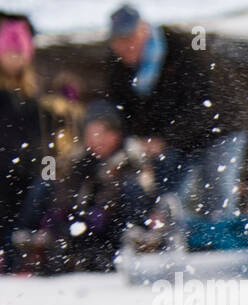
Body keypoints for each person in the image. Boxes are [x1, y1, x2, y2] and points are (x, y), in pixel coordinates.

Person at [107, 4, 248, 240]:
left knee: (217, 191)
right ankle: (180, 245)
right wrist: (139, 142)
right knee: (173, 197)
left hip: (220, 128)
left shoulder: (185, 50)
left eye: (129, 38)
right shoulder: (119, 69)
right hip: (177, 141)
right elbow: (125, 111)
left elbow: (205, 104)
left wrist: (165, 139)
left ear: (143, 31)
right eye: (119, 41)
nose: (125, 47)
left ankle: (225, 244)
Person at [15, 100, 152, 273]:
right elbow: (64, 189)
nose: (97, 139)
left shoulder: (131, 158)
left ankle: (134, 241)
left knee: (131, 189)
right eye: (92, 133)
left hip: (114, 227)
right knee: (44, 182)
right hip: (81, 225)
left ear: (116, 134)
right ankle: (31, 237)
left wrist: (103, 206)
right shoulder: (79, 160)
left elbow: (142, 191)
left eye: (102, 133)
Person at [0, 13, 43, 273]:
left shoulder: (30, 95)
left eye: (19, 53)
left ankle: (19, 258)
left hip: (24, 168)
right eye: (9, 52)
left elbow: (36, 135)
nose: (14, 59)